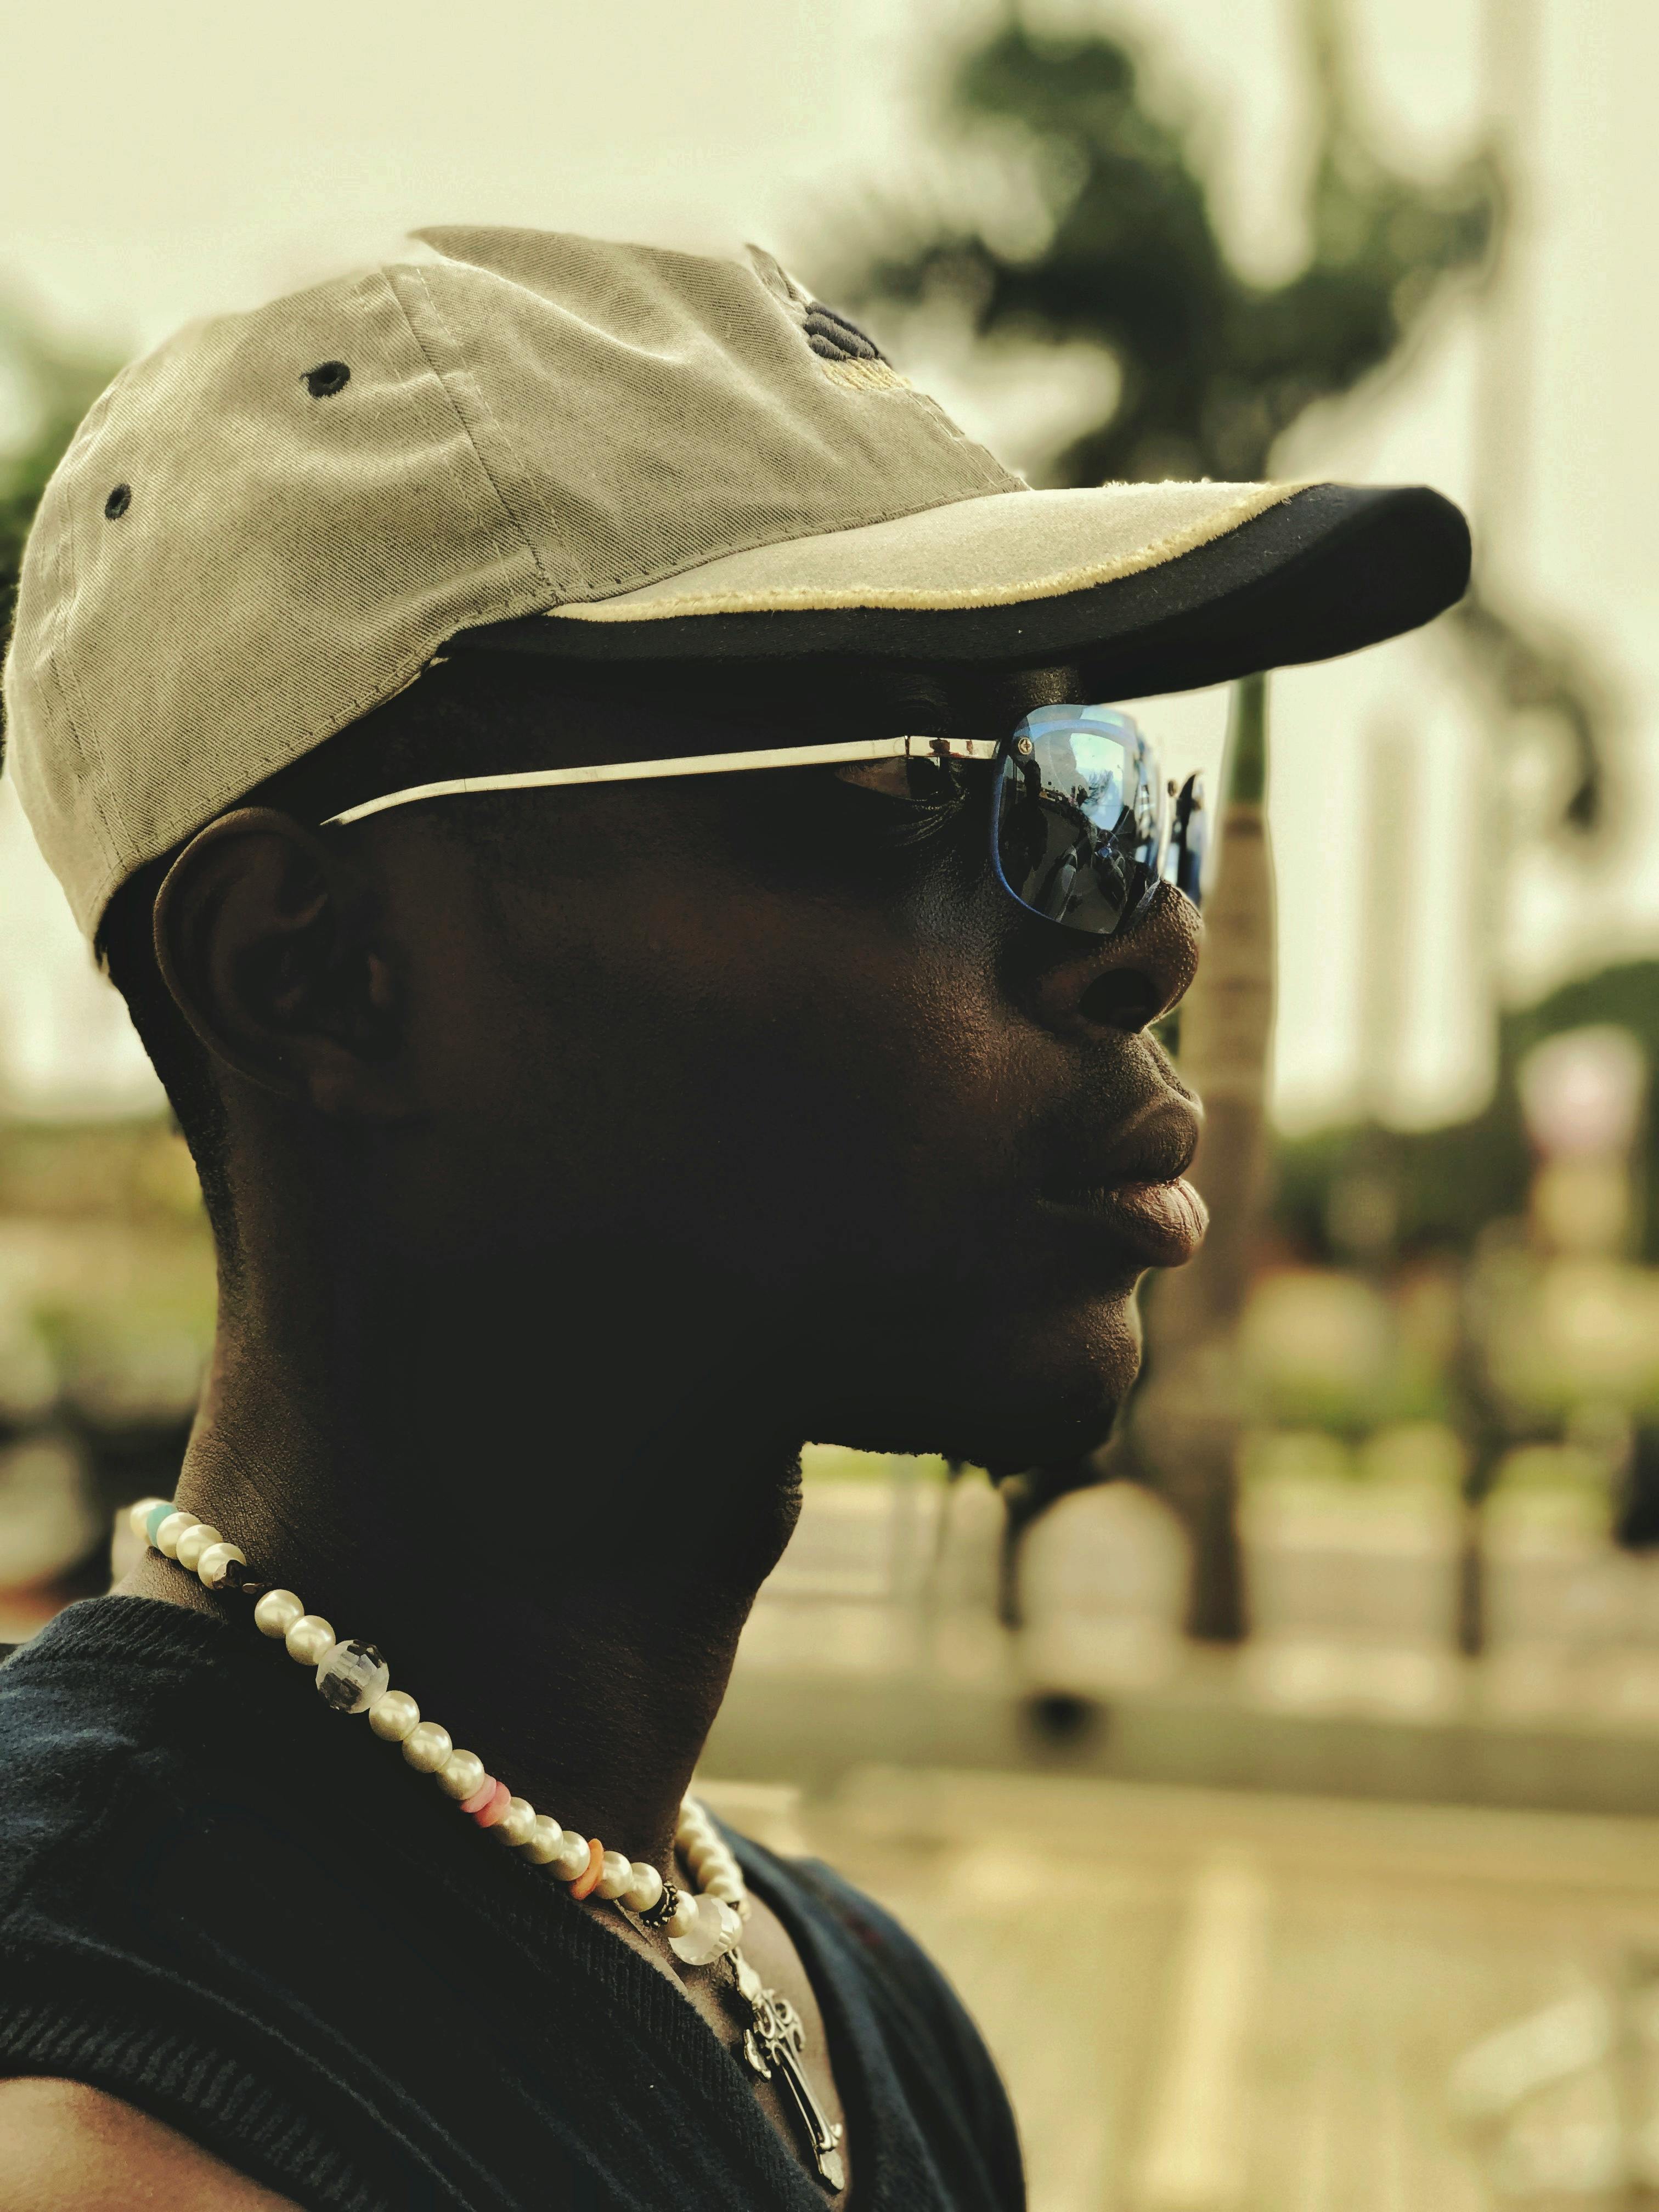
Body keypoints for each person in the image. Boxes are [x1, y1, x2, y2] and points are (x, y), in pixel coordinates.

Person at [0, 228, 1470, 2210]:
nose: (1151, 932)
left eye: (1110, 785)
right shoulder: (122, 2123)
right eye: (943, 786)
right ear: (321, 970)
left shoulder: (866, 2019)